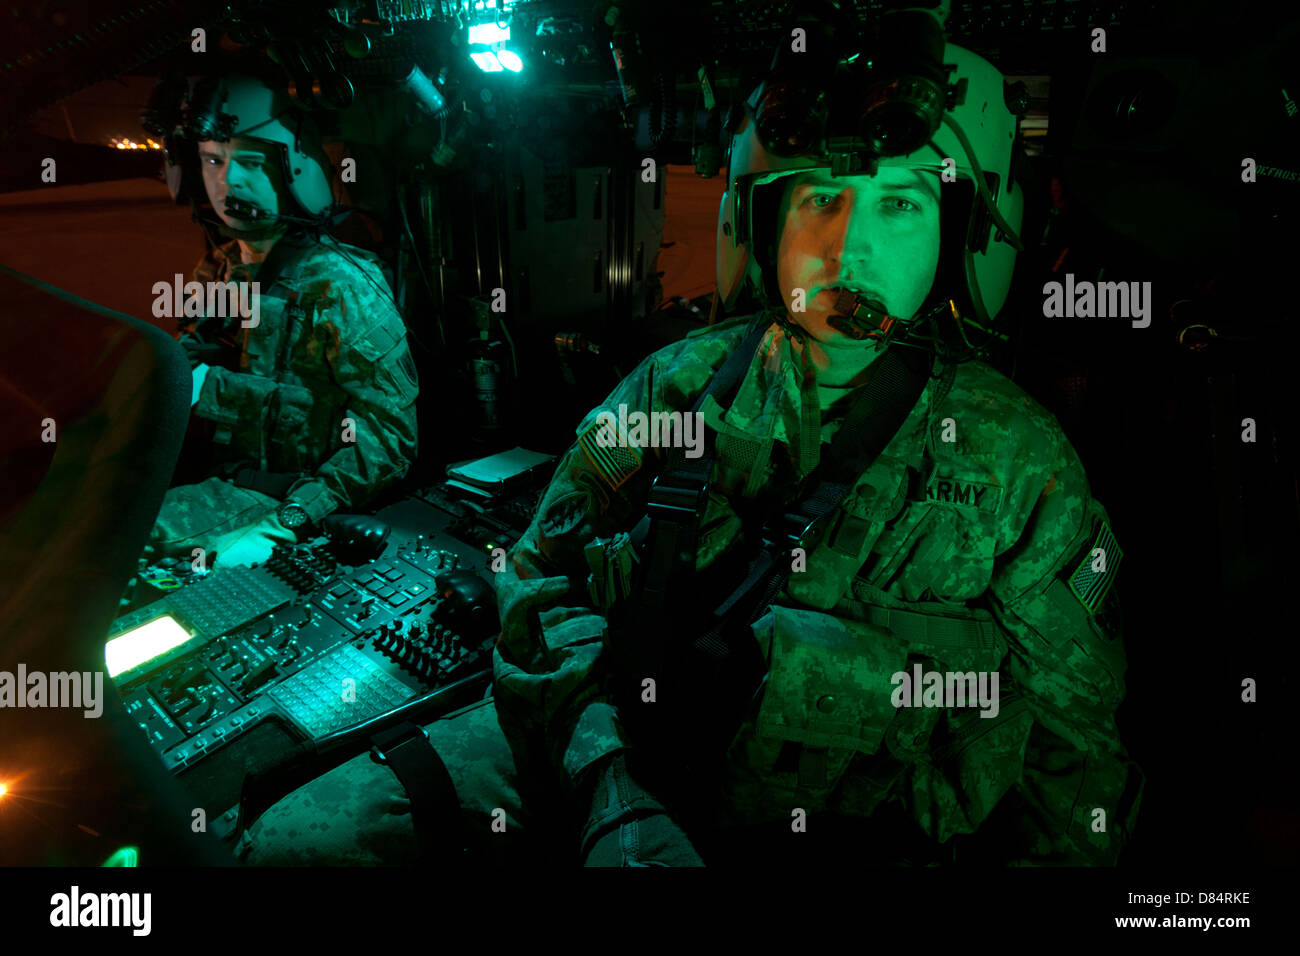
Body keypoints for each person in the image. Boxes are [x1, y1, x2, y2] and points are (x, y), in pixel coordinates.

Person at [237, 37, 1143, 866]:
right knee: (292, 845)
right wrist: (609, 782)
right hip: (622, 748)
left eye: (901, 204)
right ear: (761, 223)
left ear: (958, 235)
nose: (849, 246)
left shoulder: (1022, 461)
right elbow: (537, 571)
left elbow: (1074, 752)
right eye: (819, 200)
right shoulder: (682, 384)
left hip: (861, 828)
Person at [146, 70, 419, 569]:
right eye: (213, 160)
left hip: (290, 499)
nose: (228, 181)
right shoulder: (221, 265)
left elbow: (388, 437)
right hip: (223, 482)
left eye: (251, 162)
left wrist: (288, 521)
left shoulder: (342, 284)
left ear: (294, 171)